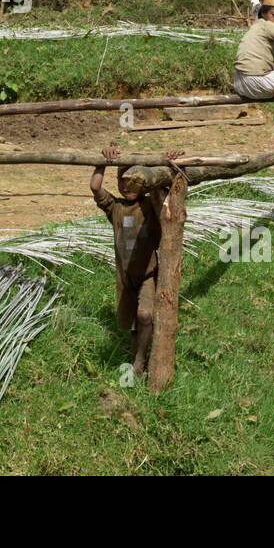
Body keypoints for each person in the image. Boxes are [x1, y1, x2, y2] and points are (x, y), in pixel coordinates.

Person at [90, 146, 182, 376]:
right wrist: (102, 161)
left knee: (145, 315)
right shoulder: (116, 208)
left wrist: (165, 162)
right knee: (133, 324)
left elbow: (166, 186)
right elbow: (95, 187)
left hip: (148, 273)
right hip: (125, 277)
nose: (126, 185)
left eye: (133, 180)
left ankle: (140, 360)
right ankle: (137, 361)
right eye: (122, 179)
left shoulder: (150, 205)